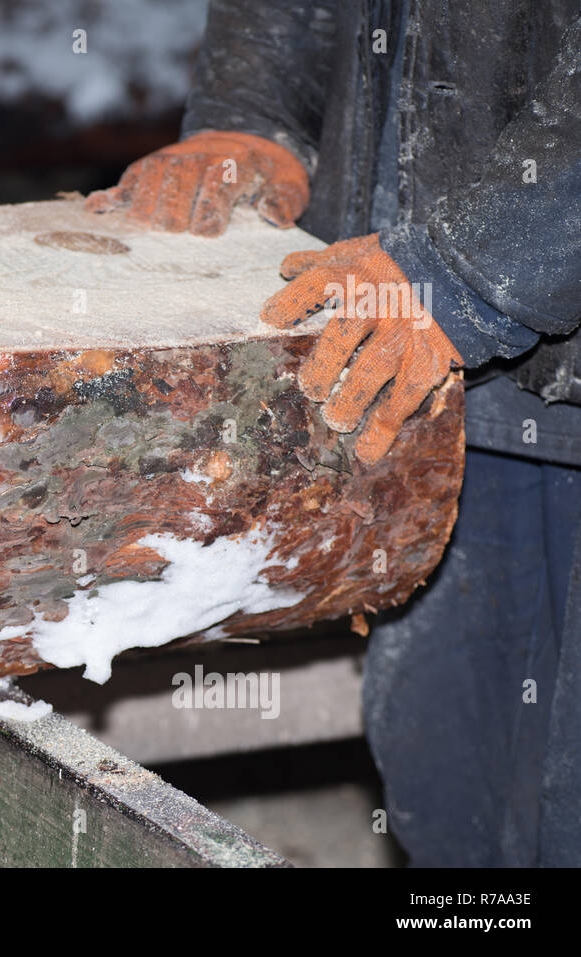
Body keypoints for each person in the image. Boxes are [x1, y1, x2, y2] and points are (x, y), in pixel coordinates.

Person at [87, 0, 581, 866]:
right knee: (450, 785)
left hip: (484, 302)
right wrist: (257, 115)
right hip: (441, 375)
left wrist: (480, 267)